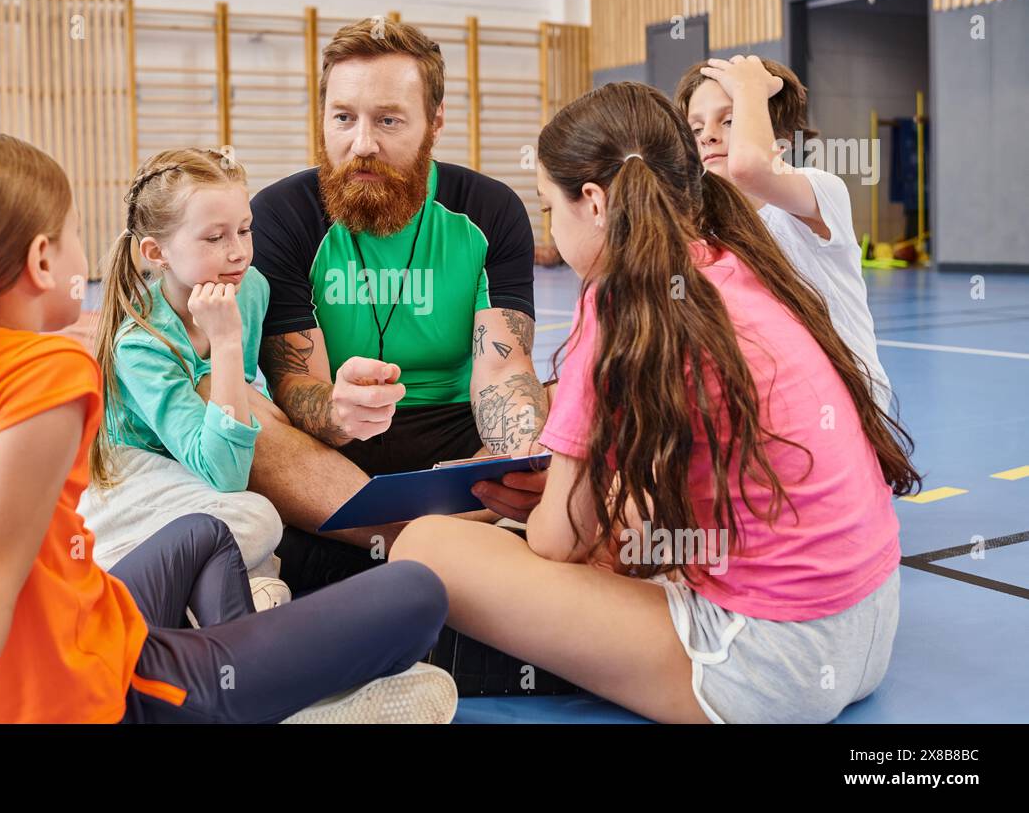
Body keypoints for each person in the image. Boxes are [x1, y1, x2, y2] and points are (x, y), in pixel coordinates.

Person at [0, 130, 457, 724]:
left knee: (206, 531)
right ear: (45, 260)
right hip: (117, 691)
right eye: (77, 230)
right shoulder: (49, 371)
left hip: (97, 626)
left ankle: (256, 673)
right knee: (417, 588)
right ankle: (260, 700)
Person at [392, 83, 921, 723]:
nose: (550, 230)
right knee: (617, 530)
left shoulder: (615, 302)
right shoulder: (744, 263)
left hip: (771, 667)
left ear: (591, 202)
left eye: (546, 206)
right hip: (871, 627)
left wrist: (549, 513)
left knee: (426, 546)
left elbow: (560, 544)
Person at [250, 17, 549, 593]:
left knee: (571, 401)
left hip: (458, 444)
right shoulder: (282, 215)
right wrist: (337, 411)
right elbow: (293, 384)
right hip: (330, 451)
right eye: (343, 118)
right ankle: (452, 542)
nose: (362, 145)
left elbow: (504, 369)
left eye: (388, 120)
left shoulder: (488, 210)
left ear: (435, 121)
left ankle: (402, 538)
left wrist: (515, 451)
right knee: (244, 421)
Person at [78, 148, 287, 609]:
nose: (238, 251)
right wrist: (226, 343)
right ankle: (116, 578)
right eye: (214, 237)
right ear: (158, 253)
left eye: (245, 230)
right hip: (131, 480)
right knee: (261, 520)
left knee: (258, 529)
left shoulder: (249, 288)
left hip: (193, 480)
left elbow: (256, 397)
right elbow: (227, 475)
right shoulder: (140, 345)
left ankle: (203, 597)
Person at [676, 55, 893, 411]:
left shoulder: (820, 191)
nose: (708, 136)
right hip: (773, 413)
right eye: (696, 129)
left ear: (782, 141)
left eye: (730, 120)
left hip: (848, 408)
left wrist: (749, 86)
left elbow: (751, 167)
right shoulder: (703, 226)